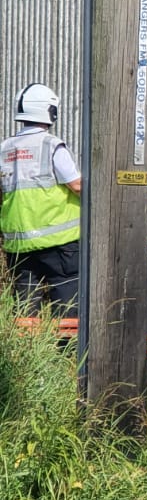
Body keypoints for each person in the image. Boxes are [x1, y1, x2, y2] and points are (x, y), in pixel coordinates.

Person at [0, 83, 82, 343]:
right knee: (67, 302)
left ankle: (26, 356)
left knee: (25, 308)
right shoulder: (51, 146)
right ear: (49, 111)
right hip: (59, 242)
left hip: (18, 244)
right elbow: (77, 185)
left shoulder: (4, 148)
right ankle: (67, 357)